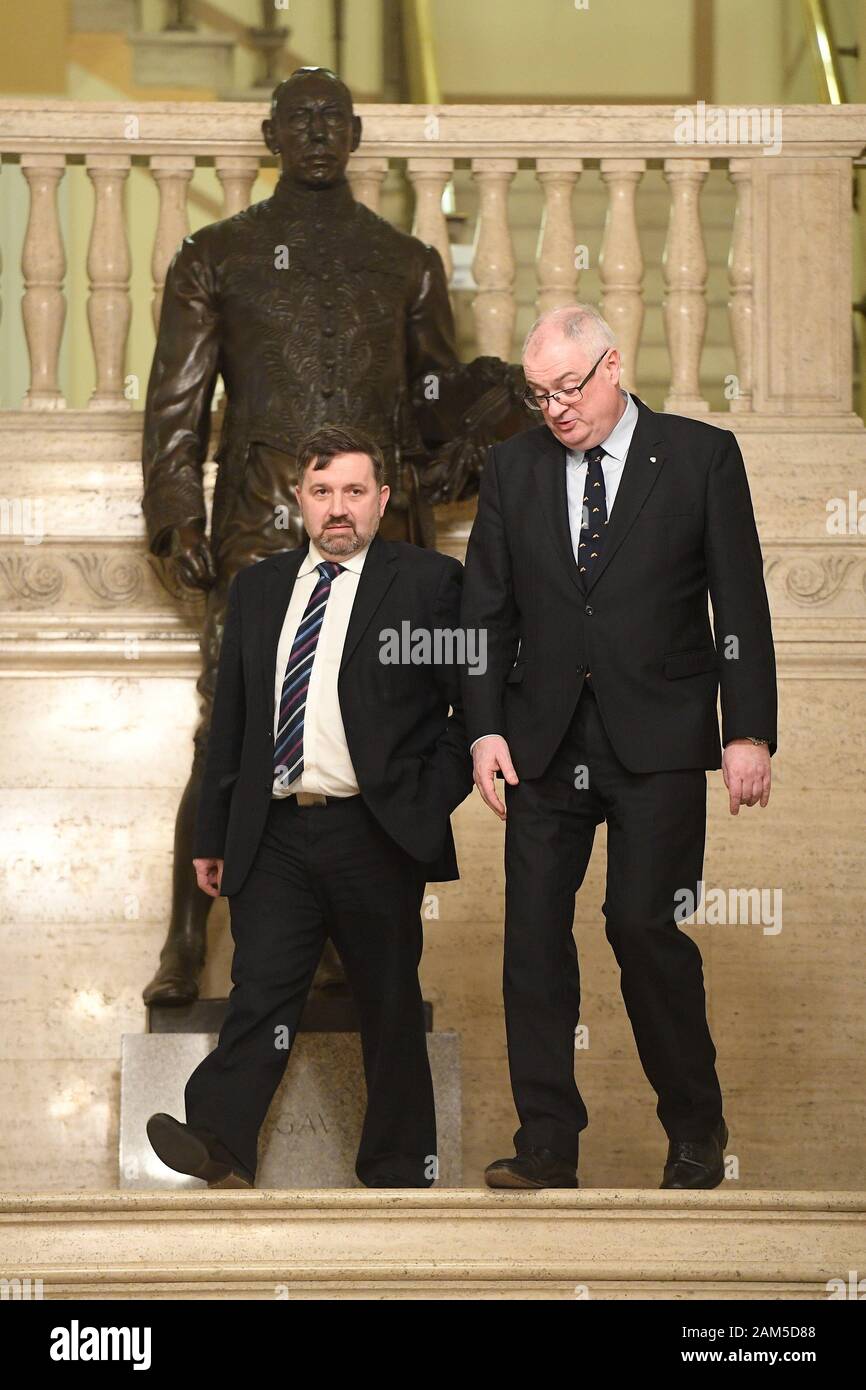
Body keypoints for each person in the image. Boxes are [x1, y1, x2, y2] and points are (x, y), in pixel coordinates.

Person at [139, 65, 525, 1005]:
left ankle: (340, 937)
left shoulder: (406, 261)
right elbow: (178, 404)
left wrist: (493, 410)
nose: (315, 133)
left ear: (354, 134)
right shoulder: (215, 253)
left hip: (377, 517)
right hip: (261, 512)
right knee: (230, 723)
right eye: (297, 120)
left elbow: (434, 400)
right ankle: (189, 935)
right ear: (272, 135)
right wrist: (175, 511)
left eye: (331, 120)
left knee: (373, 726)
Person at [460, 305, 777, 1190]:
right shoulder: (511, 468)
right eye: (538, 395)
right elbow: (485, 612)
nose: (555, 409)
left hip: (663, 738)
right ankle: (547, 1145)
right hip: (542, 741)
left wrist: (746, 730)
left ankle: (695, 1130)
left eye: (568, 388)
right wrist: (484, 728)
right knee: (531, 941)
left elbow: (739, 606)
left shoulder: (700, 456)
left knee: (642, 927)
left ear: (613, 365)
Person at [147, 424, 473, 1188]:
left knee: (388, 1000)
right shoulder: (260, 590)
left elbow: (470, 708)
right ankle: (220, 1144)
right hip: (277, 831)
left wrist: (425, 799)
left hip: (375, 830)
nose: (338, 508)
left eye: (355, 492)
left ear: (382, 499)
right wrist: (213, 832)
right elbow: (230, 723)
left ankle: (398, 1165)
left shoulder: (426, 584)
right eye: (322, 492)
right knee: (260, 992)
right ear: (299, 500)